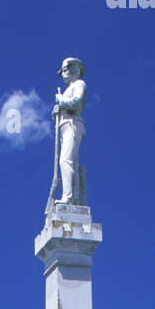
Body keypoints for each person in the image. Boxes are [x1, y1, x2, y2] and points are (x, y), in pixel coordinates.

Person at [53, 58, 87, 205]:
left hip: (73, 124)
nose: (63, 73)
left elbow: (77, 103)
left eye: (65, 69)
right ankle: (71, 196)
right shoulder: (68, 89)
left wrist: (61, 101)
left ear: (74, 69)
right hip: (64, 126)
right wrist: (56, 113)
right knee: (68, 162)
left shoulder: (79, 84)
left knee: (65, 160)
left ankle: (69, 197)